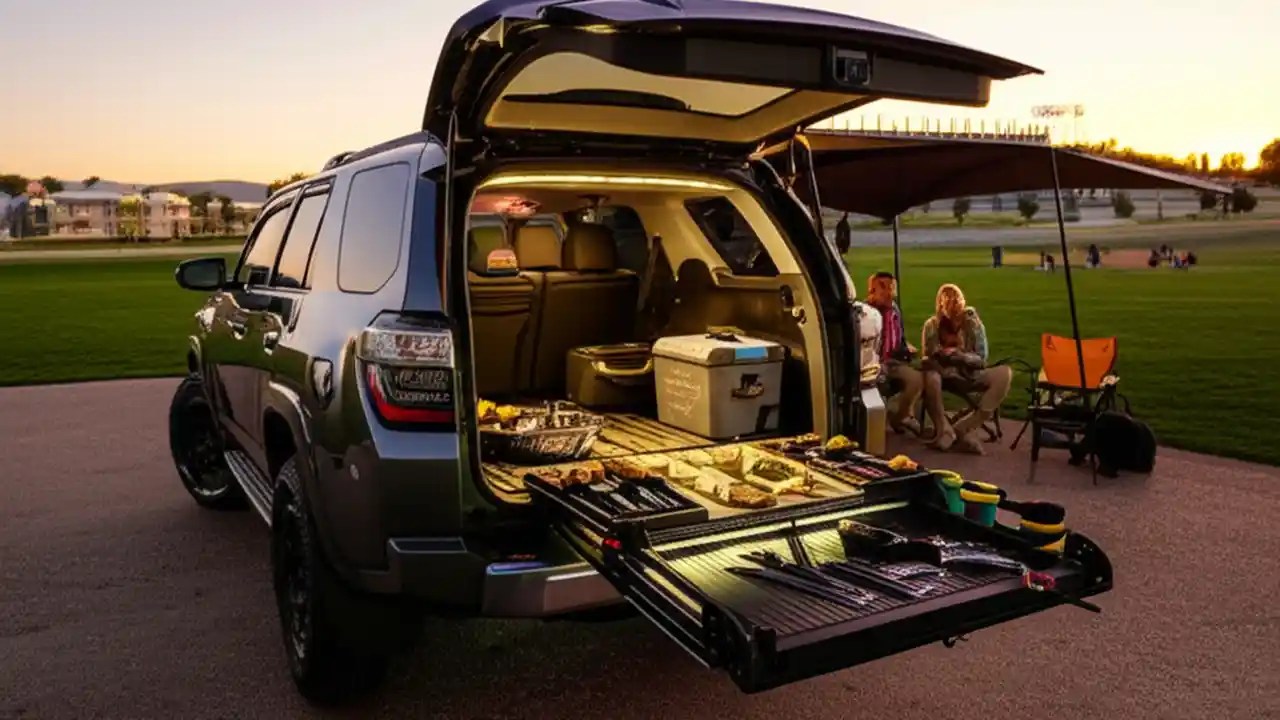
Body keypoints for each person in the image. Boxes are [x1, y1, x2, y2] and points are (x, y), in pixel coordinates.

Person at [919, 283, 1013, 454]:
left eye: (957, 303)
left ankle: (964, 427)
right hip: (943, 375)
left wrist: (962, 357)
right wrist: (941, 359)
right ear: (940, 306)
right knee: (930, 376)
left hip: (971, 373)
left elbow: (982, 358)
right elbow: (925, 359)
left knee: (1004, 374)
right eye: (948, 304)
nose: (954, 308)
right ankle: (944, 429)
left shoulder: (972, 323)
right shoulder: (931, 326)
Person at [866, 272, 922, 435]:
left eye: (891, 287)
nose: (888, 292)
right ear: (872, 291)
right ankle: (890, 416)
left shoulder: (895, 310)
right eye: (882, 287)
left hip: (895, 360)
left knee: (918, 379)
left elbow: (899, 336)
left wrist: (906, 347)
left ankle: (901, 416)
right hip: (874, 363)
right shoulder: (866, 313)